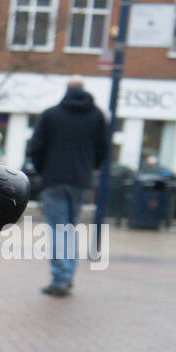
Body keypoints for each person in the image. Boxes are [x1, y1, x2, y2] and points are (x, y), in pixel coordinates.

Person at [26, 76, 109, 297]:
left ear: (66, 89)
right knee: (70, 229)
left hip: (54, 180)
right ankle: (68, 273)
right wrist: (89, 168)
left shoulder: (51, 114)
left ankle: (61, 277)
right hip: (81, 181)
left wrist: (43, 170)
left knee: (58, 228)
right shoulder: (97, 116)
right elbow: (103, 149)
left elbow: (35, 148)